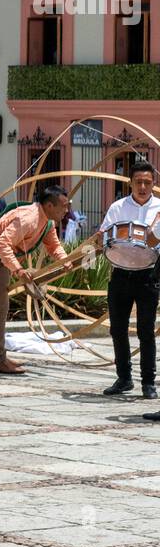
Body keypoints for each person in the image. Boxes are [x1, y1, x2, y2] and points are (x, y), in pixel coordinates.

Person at [0, 185, 70, 375]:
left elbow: (53, 245)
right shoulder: (28, 218)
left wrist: (65, 260)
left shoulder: (47, 222)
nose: (67, 210)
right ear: (49, 205)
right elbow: (1, 244)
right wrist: (19, 269)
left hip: (2, 257)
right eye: (63, 206)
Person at [100, 159, 160, 405]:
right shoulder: (117, 207)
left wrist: (153, 239)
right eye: (138, 182)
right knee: (117, 329)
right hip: (120, 273)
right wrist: (103, 242)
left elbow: (157, 245)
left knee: (146, 331)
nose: (143, 187)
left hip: (148, 274)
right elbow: (104, 236)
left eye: (147, 182)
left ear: (154, 183)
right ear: (130, 183)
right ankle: (124, 378)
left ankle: (148, 382)